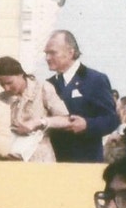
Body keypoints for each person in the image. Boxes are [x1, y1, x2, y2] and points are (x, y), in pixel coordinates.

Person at [44, 30, 120, 162]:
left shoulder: (95, 79)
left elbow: (111, 119)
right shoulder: (48, 84)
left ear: (70, 52)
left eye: (52, 53)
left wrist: (87, 125)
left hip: (85, 160)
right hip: (54, 161)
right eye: (46, 53)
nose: (47, 58)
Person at [0, 56, 72, 162]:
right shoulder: (1, 98)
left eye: (10, 83)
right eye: (1, 84)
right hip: (10, 157)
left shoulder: (42, 88)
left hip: (39, 157)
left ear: (20, 74)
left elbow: (66, 120)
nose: (6, 88)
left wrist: (38, 122)